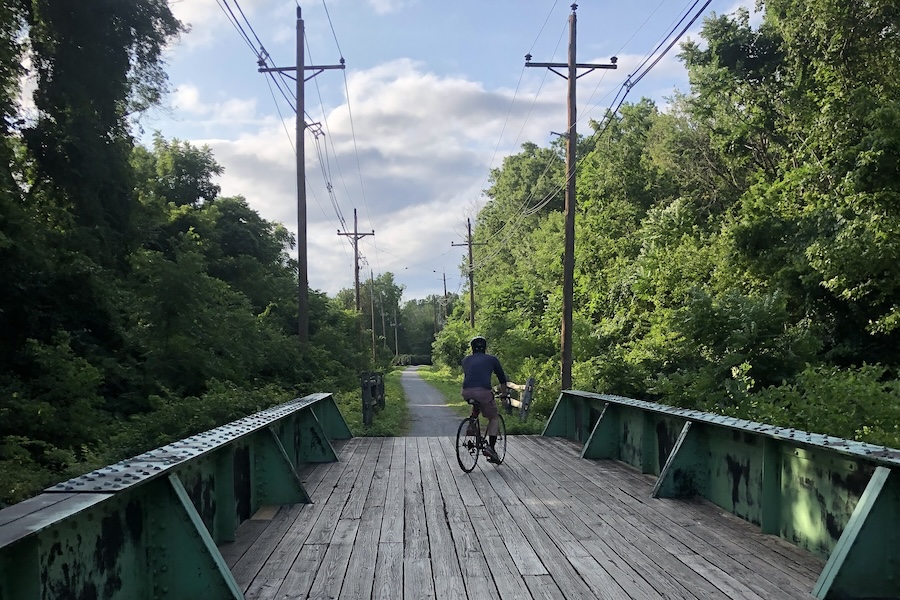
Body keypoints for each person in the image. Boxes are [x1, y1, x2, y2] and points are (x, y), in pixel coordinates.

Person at [461, 335, 508, 463]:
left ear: (472, 348)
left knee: (476, 403)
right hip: (483, 392)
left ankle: (472, 424)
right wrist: (503, 395)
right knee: (493, 418)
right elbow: (502, 379)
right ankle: (491, 448)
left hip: (466, 391)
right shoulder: (492, 359)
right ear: (485, 348)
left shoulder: (466, 360)